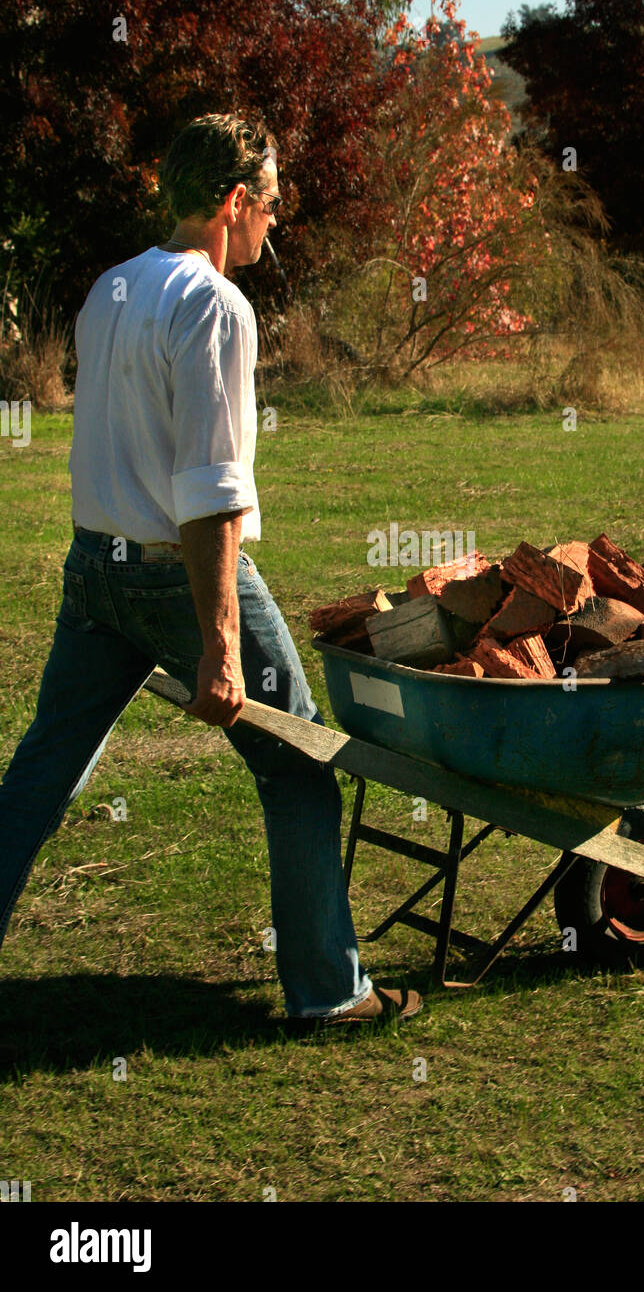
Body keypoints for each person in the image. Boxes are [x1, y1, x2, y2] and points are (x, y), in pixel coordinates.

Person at [0, 113, 421, 1026]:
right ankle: (328, 993)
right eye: (270, 206)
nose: (273, 224)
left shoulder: (110, 288)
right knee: (298, 766)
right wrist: (220, 647)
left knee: (40, 773)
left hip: (92, 567)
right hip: (167, 571)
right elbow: (210, 494)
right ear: (234, 202)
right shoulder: (217, 306)